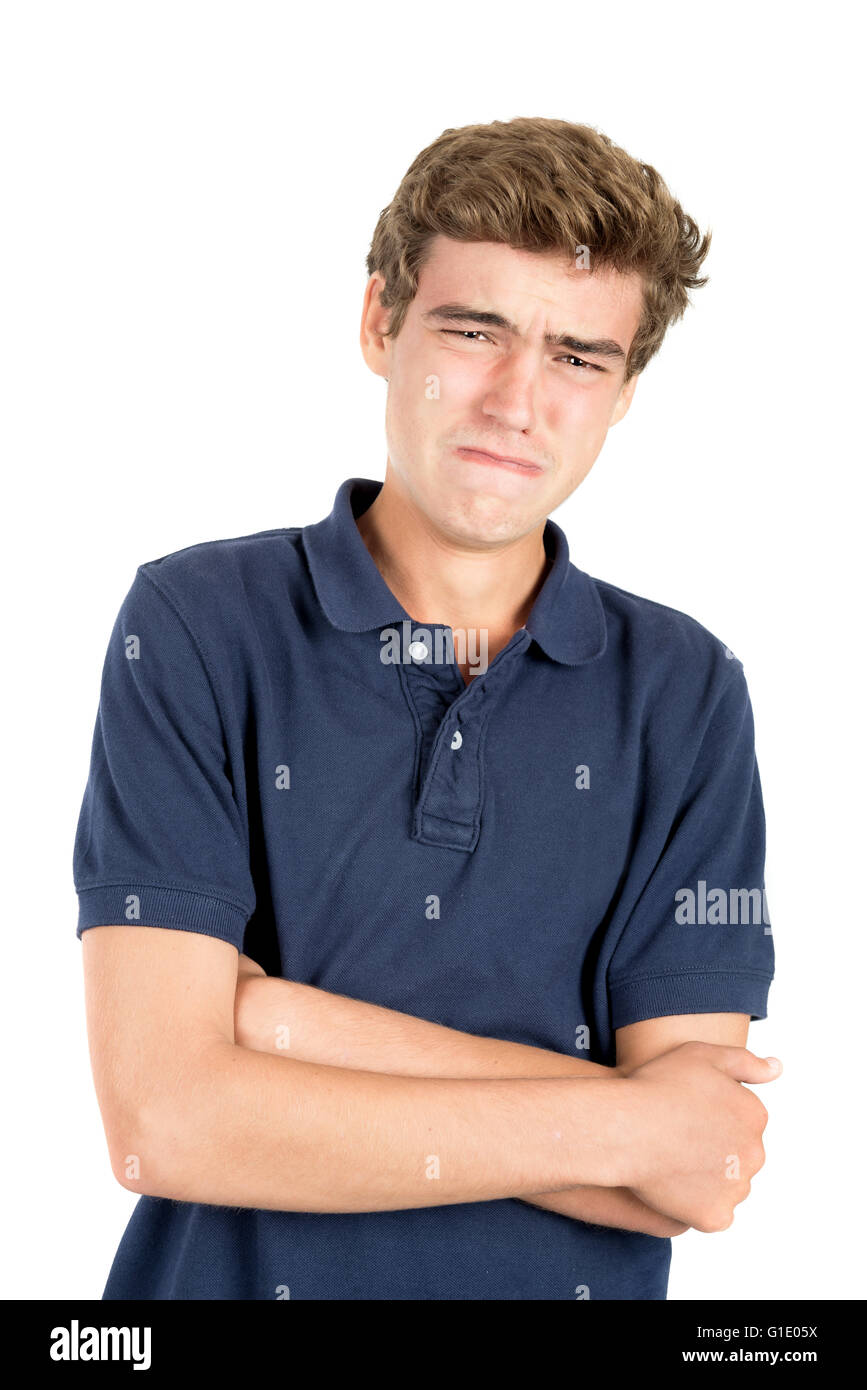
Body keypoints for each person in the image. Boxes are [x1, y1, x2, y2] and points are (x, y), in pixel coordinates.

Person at [73, 116, 779, 1301]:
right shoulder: (196, 624)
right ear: (379, 326)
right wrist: (621, 1122)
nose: (518, 400)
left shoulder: (688, 692)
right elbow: (167, 1122)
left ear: (622, 393)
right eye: (473, 330)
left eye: (578, 358)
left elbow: (700, 1165)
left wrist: (291, 1028)